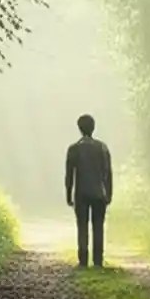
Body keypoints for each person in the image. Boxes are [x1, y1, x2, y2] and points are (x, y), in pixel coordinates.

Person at [65, 114, 113, 268]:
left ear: (79, 128)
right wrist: (109, 193)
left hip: (81, 194)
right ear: (94, 128)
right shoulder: (103, 147)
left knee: (82, 226)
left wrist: (68, 194)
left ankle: (83, 260)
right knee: (98, 226)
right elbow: (108, 173)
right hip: (100, 193)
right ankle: (98, 261)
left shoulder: (74, 149)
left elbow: (69, 175)